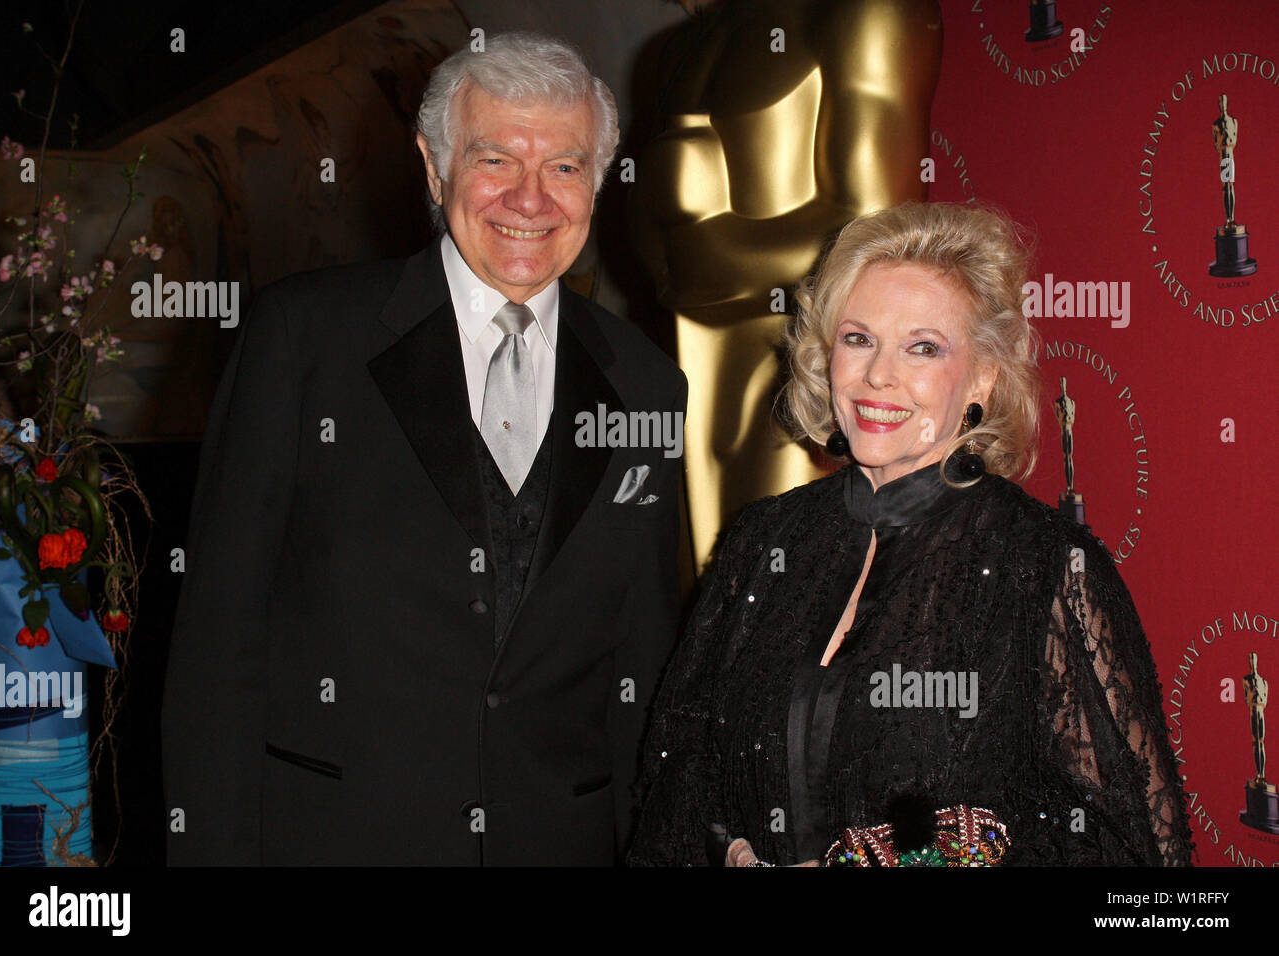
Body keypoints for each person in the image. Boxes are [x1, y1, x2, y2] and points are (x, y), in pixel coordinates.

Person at [163, 32, 687, 865]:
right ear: (434, 166)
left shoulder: (650, 384)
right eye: (494, 160)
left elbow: (649, 661)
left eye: (564, 166)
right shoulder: (302, 339)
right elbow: (218, 645)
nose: (530, 198)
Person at [628, 202, 1194, 866]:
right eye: (858, 338)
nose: (877, 377)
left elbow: (1135, 852)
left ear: (981, 375)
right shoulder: (761, 541)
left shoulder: (1044, 567)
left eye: (923, 347)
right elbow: (677, 777)